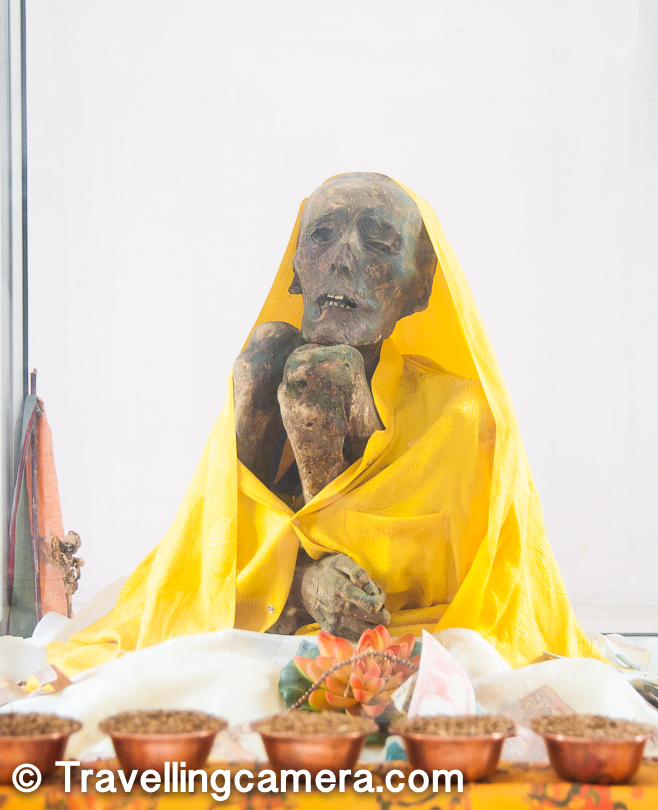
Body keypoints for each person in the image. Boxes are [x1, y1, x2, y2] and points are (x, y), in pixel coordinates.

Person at [49, 173, 601, 673]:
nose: (343, 258)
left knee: (318, 377)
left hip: (384, 651)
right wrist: (304, 584)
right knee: (271, 357)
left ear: (420, 287)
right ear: (295, 270)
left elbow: (471, 592)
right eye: (321, 236)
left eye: (380, 244)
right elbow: (205, 555)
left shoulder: (457, 418)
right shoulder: (261, 375)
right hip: (265, 637)